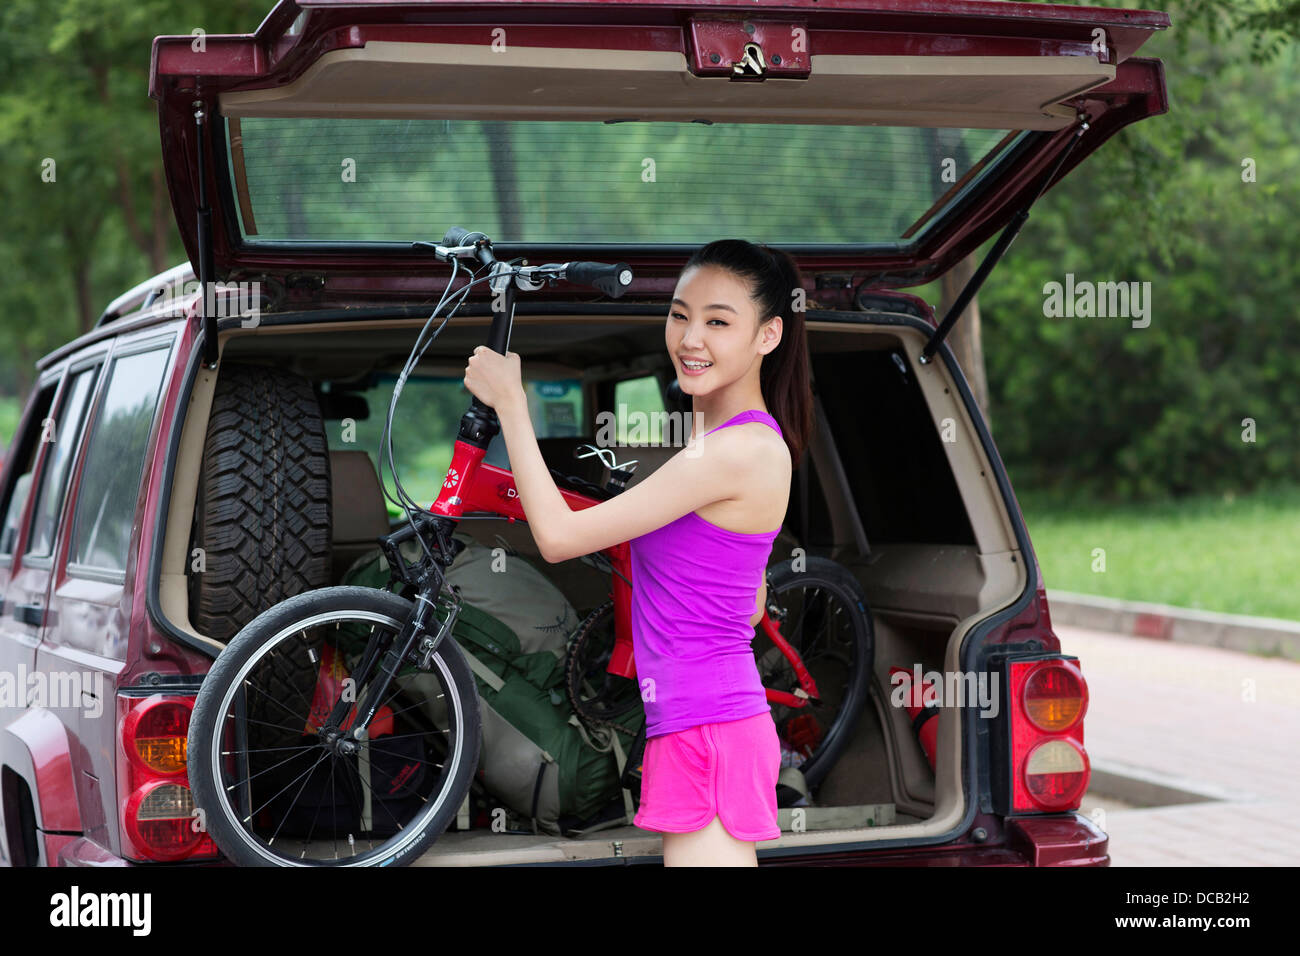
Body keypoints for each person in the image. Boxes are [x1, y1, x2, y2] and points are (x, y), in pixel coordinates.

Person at [463, 239, 813, 866]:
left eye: (718, 321)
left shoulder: (733, 452)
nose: (691, 338)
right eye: (680, 315)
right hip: (693, 721)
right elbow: (750, 591)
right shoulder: (734, 445)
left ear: (768, 335)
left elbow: (558, 539)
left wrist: (512, 405)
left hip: (709, 726)